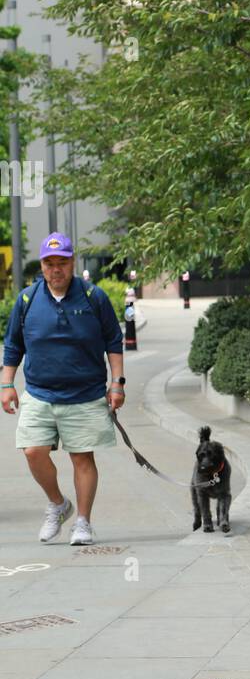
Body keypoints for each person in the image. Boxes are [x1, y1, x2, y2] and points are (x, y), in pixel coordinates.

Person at [1, 233, 126, 545]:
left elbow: (113, 341)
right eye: (50, 263)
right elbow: (13, 344)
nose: (56, 269)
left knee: (82, 458)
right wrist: (7, 384)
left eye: (62, 262)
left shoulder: (94, 297)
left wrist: (117, 384)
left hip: (84, 395)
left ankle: (82, 522)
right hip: (40, 392)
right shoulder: (27, 299)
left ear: (73, 263)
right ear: (42, 266)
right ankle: (58, 504)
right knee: (32, 451)